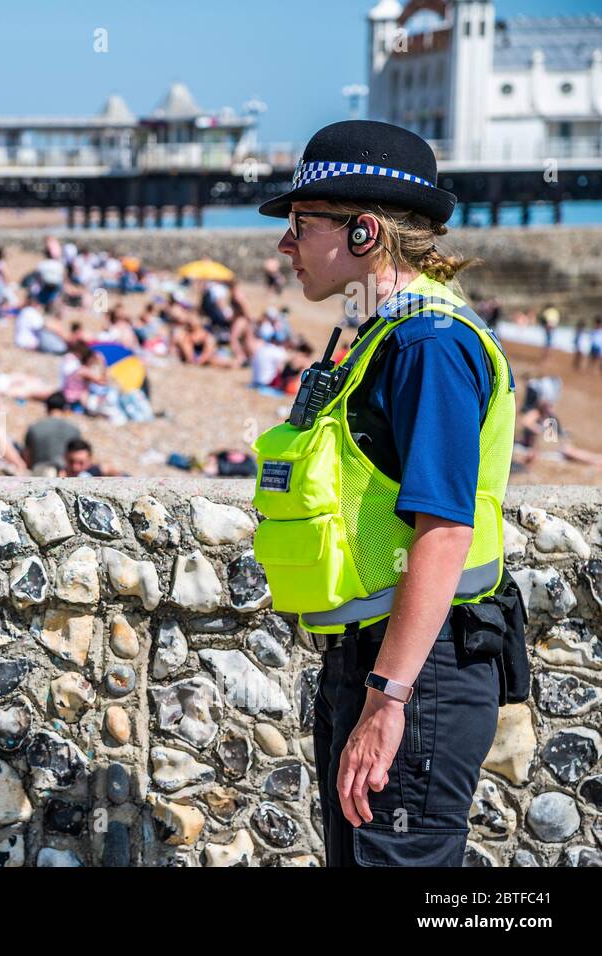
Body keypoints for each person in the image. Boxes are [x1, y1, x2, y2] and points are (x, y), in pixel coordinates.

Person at [251, 120, 519, 868]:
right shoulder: (376, 330)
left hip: (420, 671)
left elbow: (444, 531)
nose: (285, 245)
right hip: (374, 663)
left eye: (301, 225)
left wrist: (389, 699)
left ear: (364, 232)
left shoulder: (428, 344)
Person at [23, 392, 83, 476]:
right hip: (65, 473)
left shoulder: (34, 428)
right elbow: (79, 456)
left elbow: (27, 458)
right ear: (65, 408)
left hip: (39, 473)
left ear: (47, 407)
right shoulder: (74, 430)